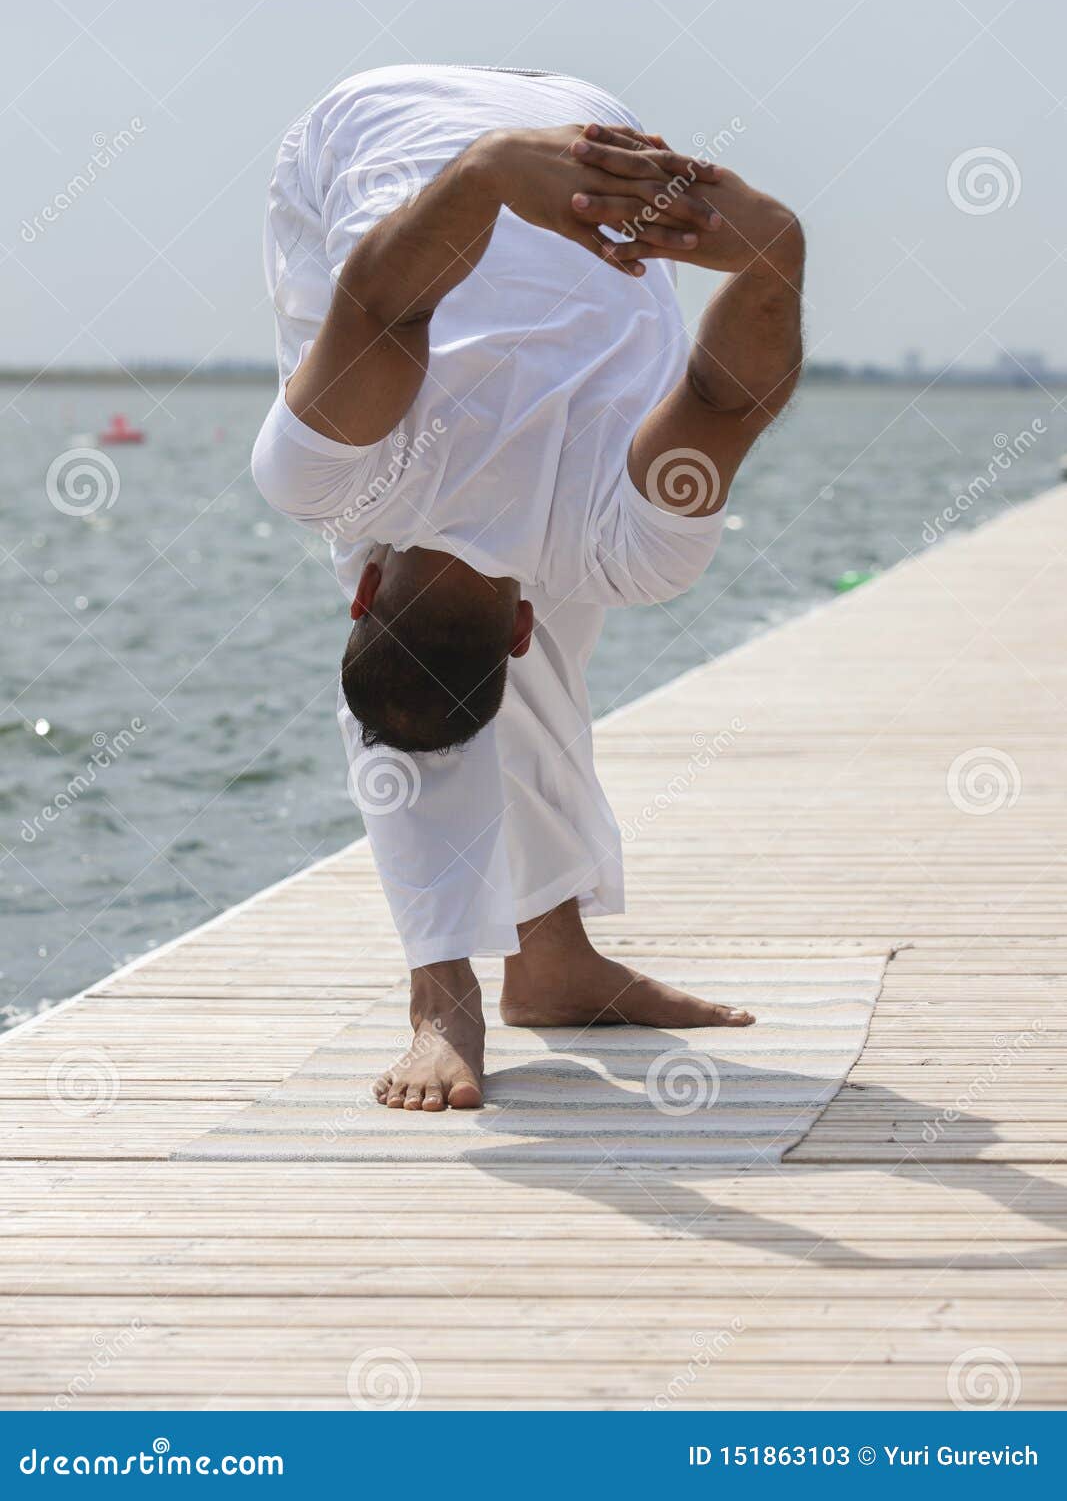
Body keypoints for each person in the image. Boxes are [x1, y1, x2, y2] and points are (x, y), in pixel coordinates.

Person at [252, 65, 804, 1113]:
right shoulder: (326, 480)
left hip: (430, 134)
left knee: (510, 614)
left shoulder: (616, 551)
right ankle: (550, 961)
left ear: (514, 623)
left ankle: (449, 997)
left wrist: (775, 255)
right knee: (442, 651)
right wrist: (488, 175)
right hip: (534, 135)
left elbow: (722, 397)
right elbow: (386, 305)